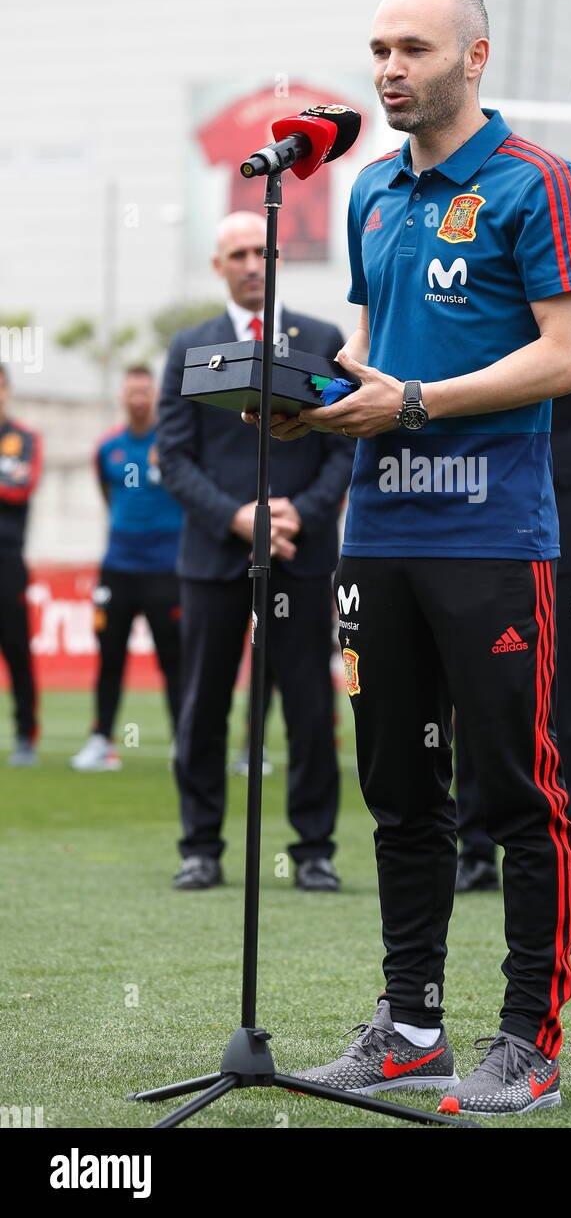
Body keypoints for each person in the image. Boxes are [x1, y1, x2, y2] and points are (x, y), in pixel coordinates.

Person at [260, 0, 571, 1118]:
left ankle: (527, 1042)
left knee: (517, 795)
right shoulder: (366, 192)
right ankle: (409, 1028)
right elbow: (370, 351)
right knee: (400, 792)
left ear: (475, 57)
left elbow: (570, 355)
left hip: (493, 536)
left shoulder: (534, 184)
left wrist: (410, 403)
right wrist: (308, 402)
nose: (387, 68)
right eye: (376, 48)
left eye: (411, 46)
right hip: (377, 537)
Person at [157, 211, 355, 891]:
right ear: (218, 266)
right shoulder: (191, 347)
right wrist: (239, 517)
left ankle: (314, 851)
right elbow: (175, 458)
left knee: (309, 705)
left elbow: (344, 443)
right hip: (214, 557)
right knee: (204, 704)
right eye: (236, 253)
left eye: (260, 251)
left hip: (300, 556)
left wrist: (300, 510)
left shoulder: (323, 341)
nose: (250, 263)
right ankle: (201, 846)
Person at [453, 295, 571, 895]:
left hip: (569, 527)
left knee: (568, 692)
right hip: (481, 513)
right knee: (476, 688)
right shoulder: (480, 296)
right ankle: (476, 849)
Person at [70, 365, 183, 772]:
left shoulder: (172, 444)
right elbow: (107, 494)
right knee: (110, 657)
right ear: (123, 396)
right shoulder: (108, 448)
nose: (138, 400)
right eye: (132, 393)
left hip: (167, 570)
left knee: (174, 658)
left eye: (144, 393)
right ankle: (101, 741)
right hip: (118, 568)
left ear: (154, 396)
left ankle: (182, 744)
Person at [0, 364, 41, 767]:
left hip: (7, 560)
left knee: (16, 650)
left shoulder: (23, 438)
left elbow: (19, 488)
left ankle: (25, 735)